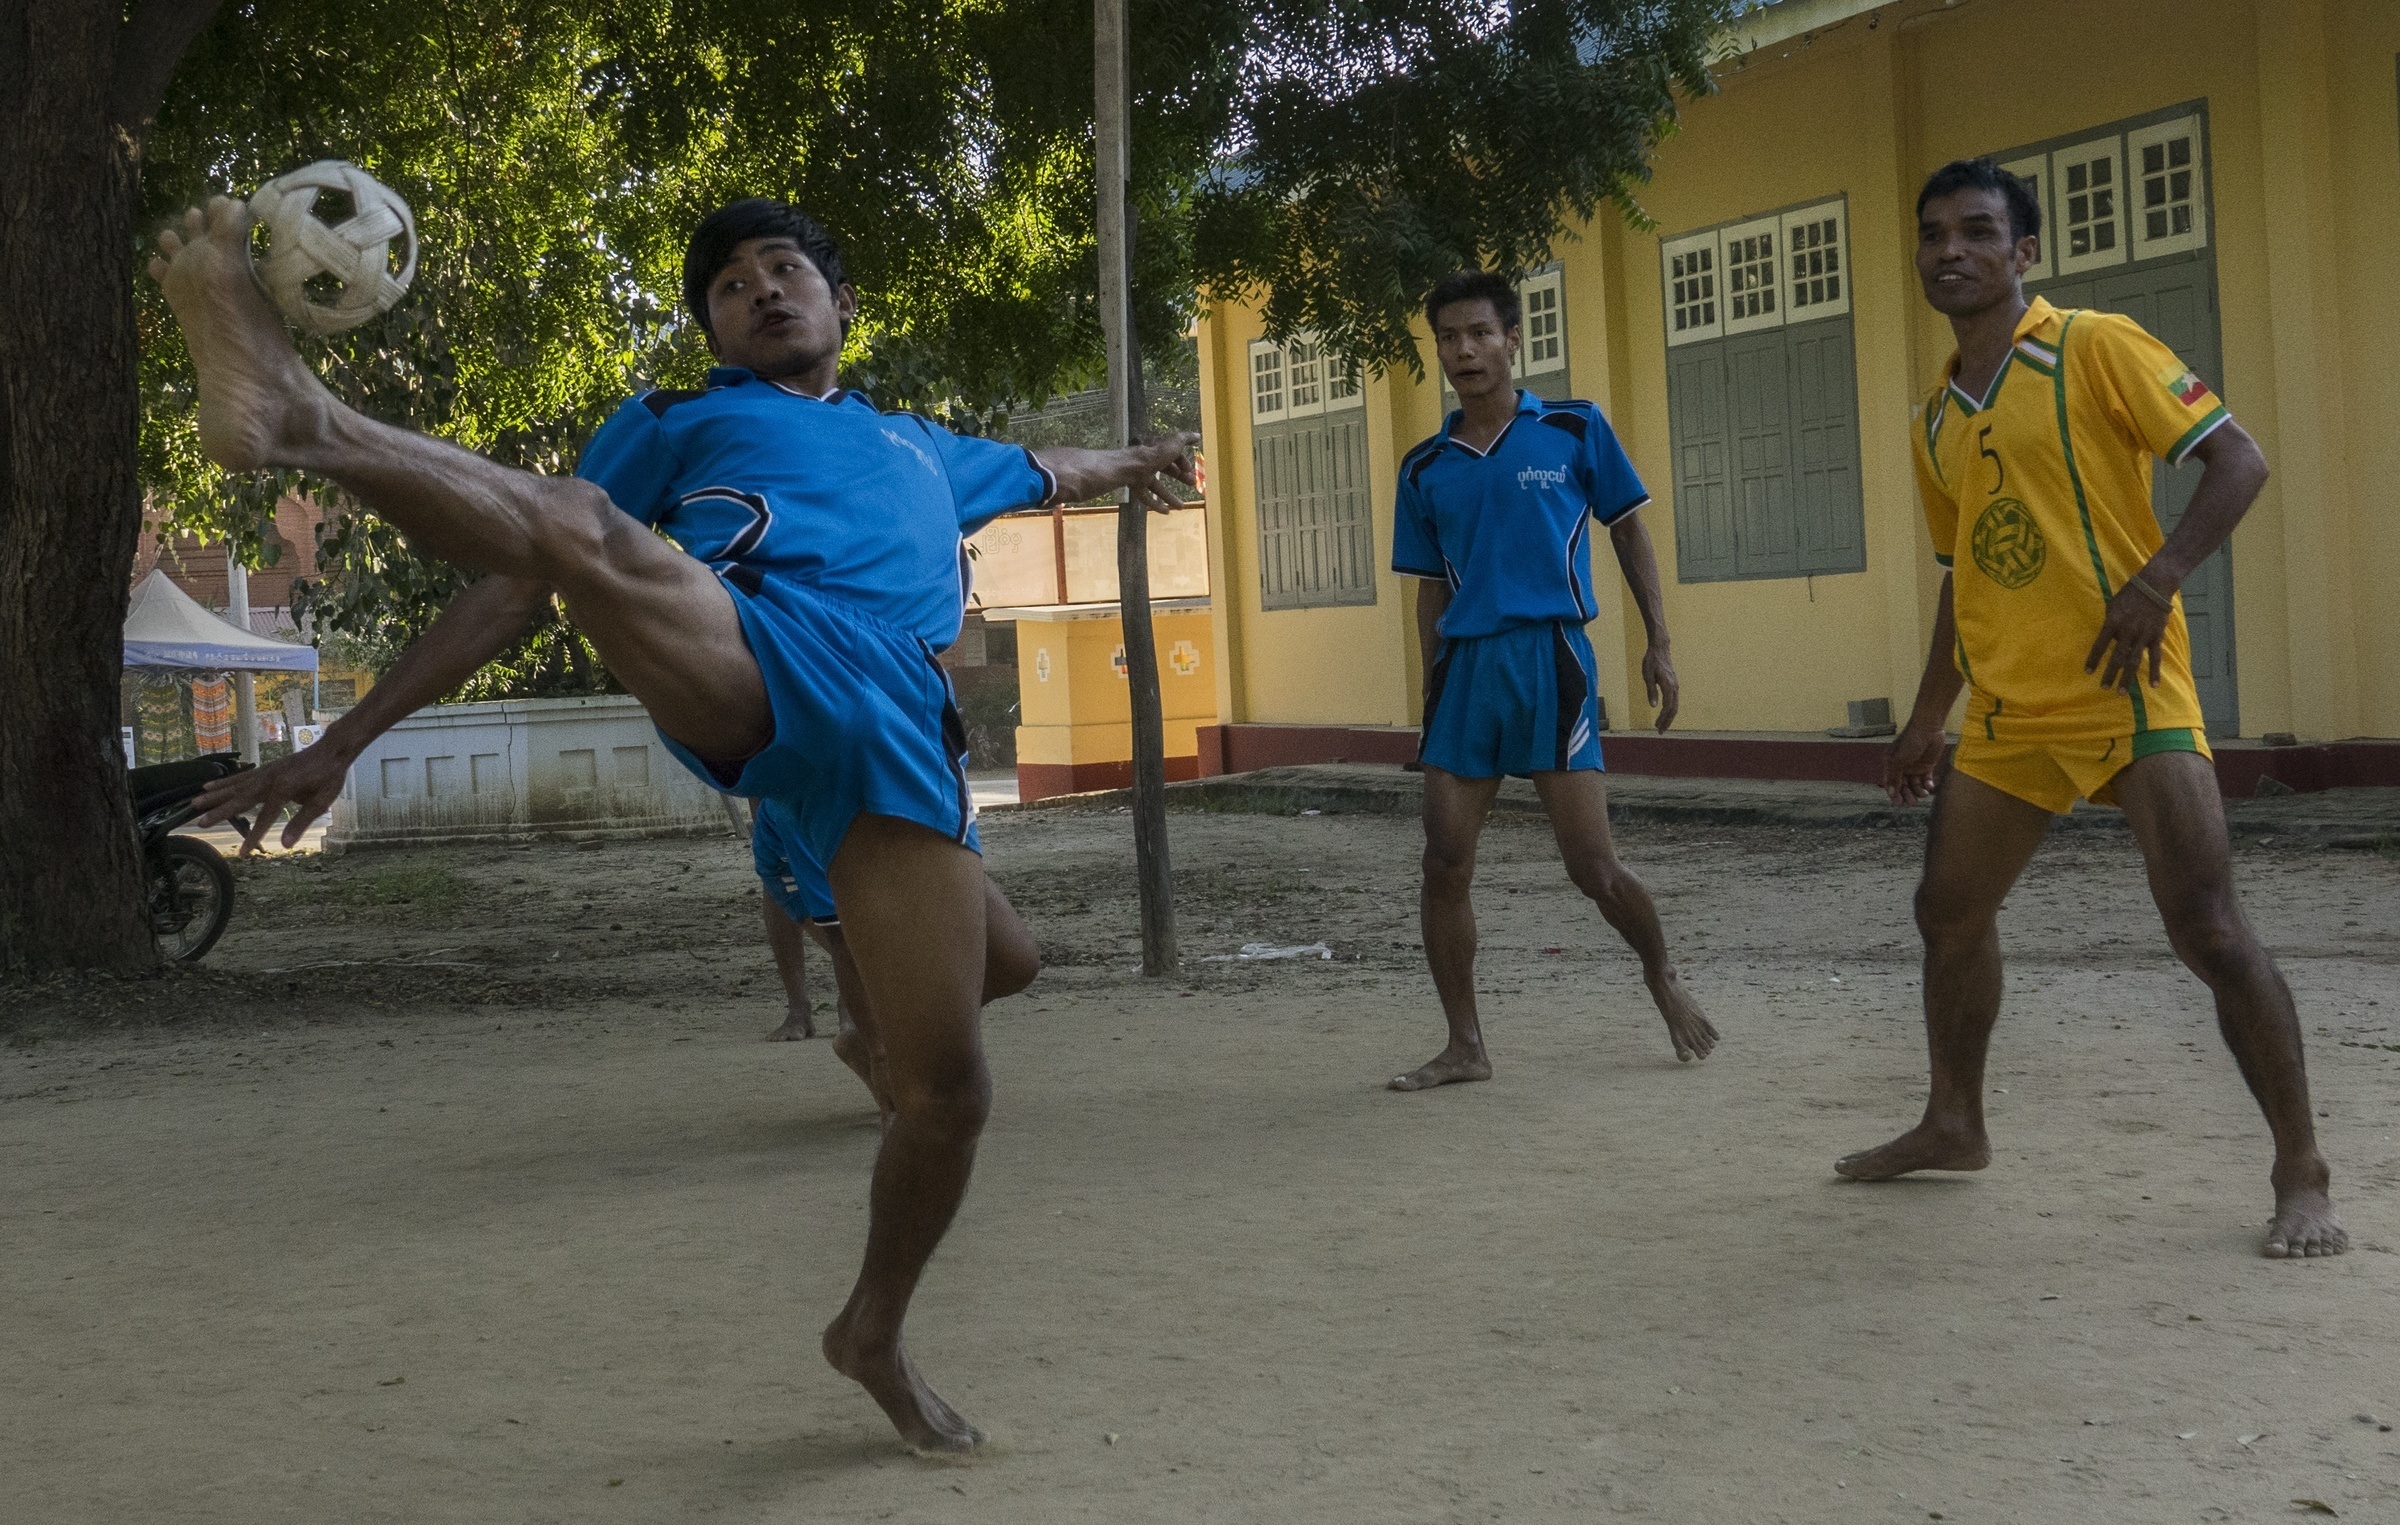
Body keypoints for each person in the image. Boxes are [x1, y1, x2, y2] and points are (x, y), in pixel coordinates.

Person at [157, 192, 1197, 1447]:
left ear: (839, 302)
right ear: (712, 332)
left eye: (783, 268)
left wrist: (1139, 463)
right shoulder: (680, 419)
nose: (760, 289)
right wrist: (343, 739)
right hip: (754, 644)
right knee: (592, 534)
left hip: (895, 723)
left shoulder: (925, 446)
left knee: (957, 1077)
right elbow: (529, 571)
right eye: (729, 286)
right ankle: (303, 419)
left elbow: (1055, 467)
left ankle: (869, 1328)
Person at [1834, 158, 2345, 1260]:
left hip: (2130, 690)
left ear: (2025, 255)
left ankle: (2301, 1168)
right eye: (1934, 236)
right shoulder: (1933, 417)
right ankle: (1954, 1121)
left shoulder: (2096, 345)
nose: (1951, 251)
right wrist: (1930, 713)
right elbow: (1961, 571)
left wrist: (2158, 578)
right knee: (1948, 913)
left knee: (2207, 927)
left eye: (1978, 232)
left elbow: (2237, 461)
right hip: (2014, 713)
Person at [1384, 270, 1718, 1092]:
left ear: (1512, 340)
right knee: (1444, 862)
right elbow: (1432, 588)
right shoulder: (1426, 465)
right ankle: (1465, 1043)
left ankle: (1662, 973)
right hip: (1466, 671)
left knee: (1592, 867)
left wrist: (1659, 643)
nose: (1464, 351)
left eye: (1479, 334)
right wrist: (1431, 691)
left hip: (1554, 660)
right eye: (1449, 339)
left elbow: (1628, 529)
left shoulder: (1572, 428)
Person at [751, 799, 1042, 1128]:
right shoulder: (803, 798)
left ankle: (886, 1038)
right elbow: (842, 939)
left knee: (1015, 961)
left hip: (903, 818)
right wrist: (880, 1052)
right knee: (887, 966)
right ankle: (885, 1050)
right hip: (809, 837)